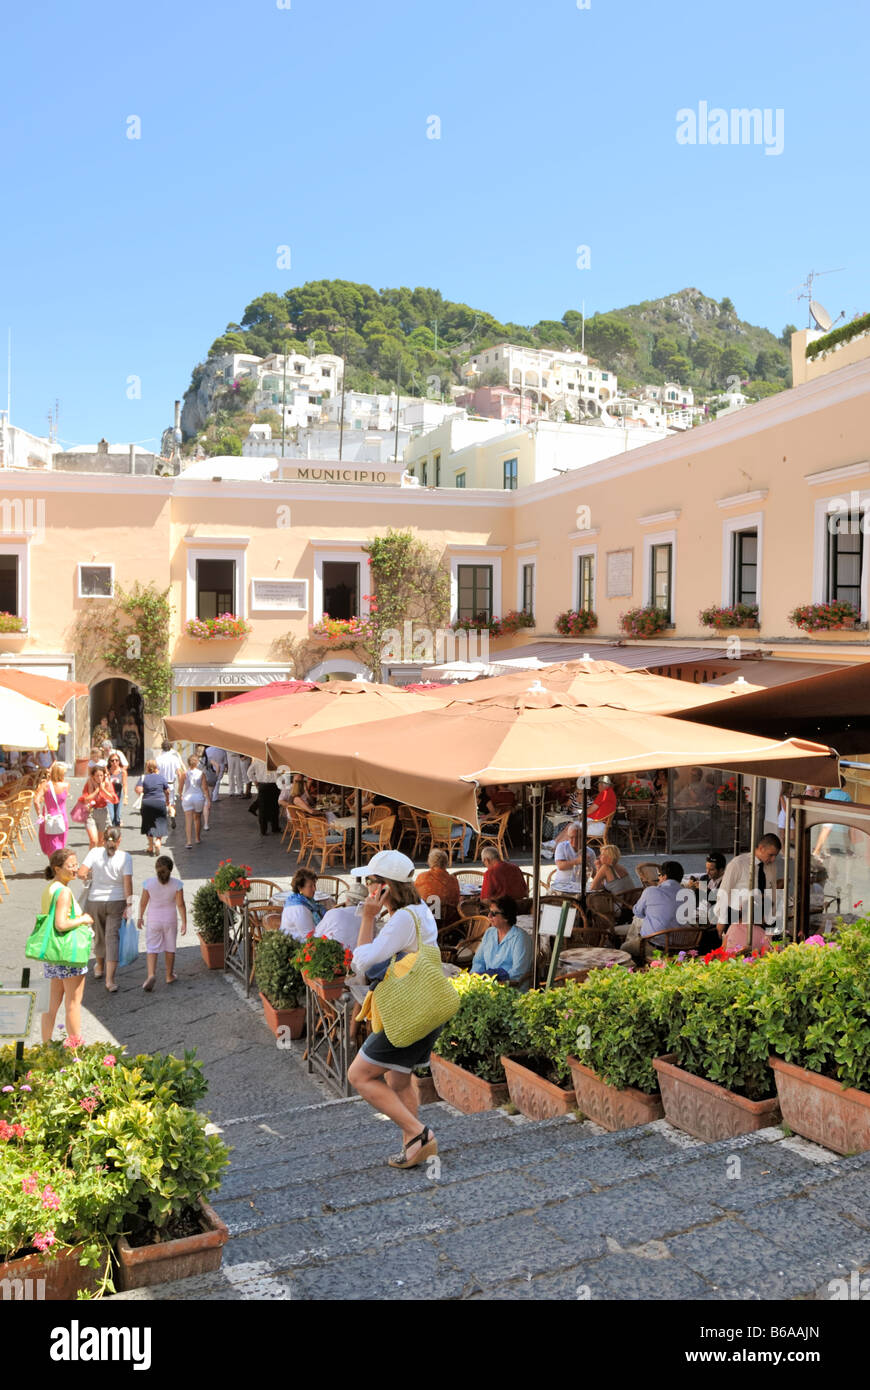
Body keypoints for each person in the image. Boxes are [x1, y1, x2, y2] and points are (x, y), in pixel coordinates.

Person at [346, 851, 440, 1170]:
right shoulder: (418, 911)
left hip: (408, 1011)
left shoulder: (401, 919)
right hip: (425, 1008)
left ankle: (420, 1134)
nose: (366, 886)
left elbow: (361, 962)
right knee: (399, 1082)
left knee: (358, 1075)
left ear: (385, 887)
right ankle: (413, 1146)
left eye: (370, 881)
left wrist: (368, 917)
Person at [39, 848, 94, 1042]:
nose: (75, 869)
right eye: (70, 866)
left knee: (51, 1004)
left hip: (53, 953)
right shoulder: (63, 892)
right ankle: (76, 1052)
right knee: (73, 1003)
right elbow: (61, 924)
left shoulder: (50, 888)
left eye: (75, 865)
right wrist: (83, 919)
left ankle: (46, 1046)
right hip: (68, 954)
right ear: (57, 868)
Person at [77, 825, 133, 992]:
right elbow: (127, 883)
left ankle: (99, 967)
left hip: (95, 901)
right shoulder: (125, 857)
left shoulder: (94, 852)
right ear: (119, 840)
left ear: (103, 840)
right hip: (117, 901)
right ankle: (110, 981)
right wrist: (130, 905)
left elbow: (81, 872)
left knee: (99, 936)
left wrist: (90, 877)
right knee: (112, 938)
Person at [716, 834, 783, 933]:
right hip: (737, 918)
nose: (773, 859)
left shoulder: (771, 867)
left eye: (775, 856)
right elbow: (723, 893)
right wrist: (721, 922)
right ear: (761, 848)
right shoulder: (738, 864)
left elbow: (772, 892)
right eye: (771, 855)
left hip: (760, 919)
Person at [138, 854, 186, 991]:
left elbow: (143, 903)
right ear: (171, 870)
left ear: (156, 868)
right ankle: (169, 975)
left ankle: (151, 974)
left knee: (152, 948)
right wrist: (184, 922)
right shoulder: (177, 884)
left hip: (154, 920)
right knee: (170, 947)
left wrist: (140, 917)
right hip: (170, 920)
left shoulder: (148, 883)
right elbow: (181, 905)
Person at [624, 860, 686, 962]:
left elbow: (637, 912)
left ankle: (639, 971)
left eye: (659, 876)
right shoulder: (689, 894)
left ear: (664, 877)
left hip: (656, 948)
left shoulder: (651, 891)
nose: (658, 879)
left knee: (625, 948)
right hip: (682, 947)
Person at [470, 896, 534, 990]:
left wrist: (495, 983)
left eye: (494, 913)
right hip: (488, 985)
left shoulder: (520, 938)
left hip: (511, 989)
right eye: (489, 912)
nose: (489, 916)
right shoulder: (489, 933)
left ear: (506, 917)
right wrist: (475, 978)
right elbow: (479, 961)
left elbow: (518, 971)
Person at [316, 880, 367, 951]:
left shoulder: (333, 913)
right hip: (358, 958)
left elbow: (316, 935)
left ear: (347, 899)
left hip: (333, 956)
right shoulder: (370, 918)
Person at [136, 758, 171, 857]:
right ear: (156, 768)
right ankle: (158, 841)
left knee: (148, 823)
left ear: (146, 768)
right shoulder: (161, 778)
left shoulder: (143, 778)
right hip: (160, 802)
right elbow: (167, 791)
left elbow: (138, 790)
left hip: (147, 803)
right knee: (161, 822)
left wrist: (144, 791)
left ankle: (150, 846)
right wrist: (167, 799)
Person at [415, 847, 461, 921]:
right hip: (449, 922)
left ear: (430, 862)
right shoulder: (453, 880)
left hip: (426, 921)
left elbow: (414, 896)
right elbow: (456, 901)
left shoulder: (423, 877)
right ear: (446, 862)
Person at [35, 761, 70, 855]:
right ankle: (56, 866)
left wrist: (39, 814)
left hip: (48, 818)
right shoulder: (66, 786)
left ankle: (53, 865)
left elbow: (36, 801)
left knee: (49, 845)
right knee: (60, 845)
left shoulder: (45, 786)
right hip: (61, 818)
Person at [280, 868, 327, 938]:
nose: (314, 889)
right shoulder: (299, 908)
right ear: (300, 888)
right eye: (310, 886)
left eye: (314, 885)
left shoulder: (298, 900)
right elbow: (309, 937)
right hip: (297, 946)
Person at [80, 761, 117, 849]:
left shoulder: (107, 784)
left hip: (103, 812)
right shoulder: (89, 784)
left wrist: (103, 790)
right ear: (93, 776)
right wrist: (96, 791)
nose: (100, 778)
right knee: (94, 841)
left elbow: (113, 799)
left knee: (102, 841)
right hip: (91, 813)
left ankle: (98, 860)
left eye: (101, 775)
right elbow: (85, 799)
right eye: (97, 776)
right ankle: (90, 861)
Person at [179, 753, 209, 846]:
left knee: (188, 820)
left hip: (187, 797)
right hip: (198, 797)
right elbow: (205, 788)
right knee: (197, 818)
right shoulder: (201, 774)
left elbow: (180, 788)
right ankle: (197, 838)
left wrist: (181, 795)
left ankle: (188, 841)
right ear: (197, 763)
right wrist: (208, 799)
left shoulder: (184, 774)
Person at [551, 826, 592, 893]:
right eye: (571, 837)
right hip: (561, 887)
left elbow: (594, 873)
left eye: (577, 837)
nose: (574, 840)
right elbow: (561, 866)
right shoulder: (562, 846)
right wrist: (578, 861)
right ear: (568, 837)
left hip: (581, 889)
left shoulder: (590, 852)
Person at [248, 758, 281, 836]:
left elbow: (249, 773)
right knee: (274, 808)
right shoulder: (276, 760)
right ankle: (273, 828)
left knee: (265, 809)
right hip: (273, 785)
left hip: (265, 785)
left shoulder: (257, 761)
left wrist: (255, 782)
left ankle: (265, 829)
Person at [157, 740, 184, 827]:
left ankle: (163, 819)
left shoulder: (158, 759)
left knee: (162, 802)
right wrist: (180, 787)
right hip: (171, 783)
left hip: (161, 784)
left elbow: (156, 773)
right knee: (171, 803)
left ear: (162, 748)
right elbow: (179, 773)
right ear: (170, 748)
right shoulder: (174, 758)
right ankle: (172, 815)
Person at [105, 751, 127, 828]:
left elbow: (124, 784)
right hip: (109, 796)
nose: (114, 762)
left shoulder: (122, 772)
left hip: (118, 795)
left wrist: (125, 797)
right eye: (112, 760)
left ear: (119, 761)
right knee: (111, 816)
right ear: (109, 762)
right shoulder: (107, 771)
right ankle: (110, 833)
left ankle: (116, 834)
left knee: (117, 817)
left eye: (116, 760)